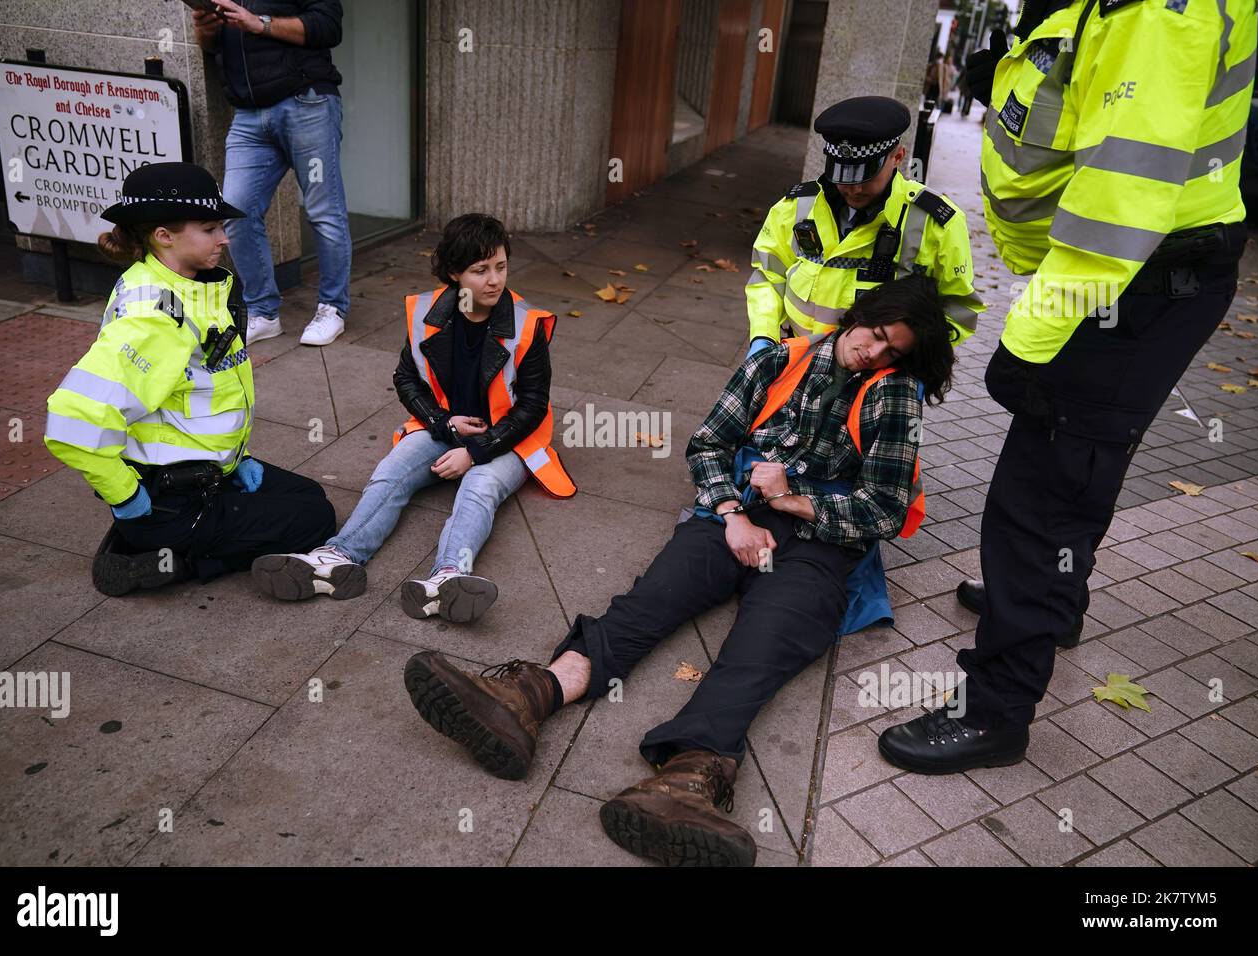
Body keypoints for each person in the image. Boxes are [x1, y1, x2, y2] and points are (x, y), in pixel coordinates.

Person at [404, 274, 955, 867]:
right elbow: (709, 443)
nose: (873, 353)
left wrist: (796, 500)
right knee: (650, 603)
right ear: (858, 315)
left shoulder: (895, 396)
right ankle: (527, 697)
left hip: (822, 541)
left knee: (762, 648)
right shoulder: (779, 360)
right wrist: (732, 515)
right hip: (736, 514)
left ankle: (687, 780)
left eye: (892, 350)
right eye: (873, 335)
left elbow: (884, 509)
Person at [878, 0, 1255, 775]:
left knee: (1042, 489)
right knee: (1081, 462)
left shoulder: (1154, 13)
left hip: (1134, 278)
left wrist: (1028, 342)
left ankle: (994, 713)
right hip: (1148, 273)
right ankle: (1055, 605)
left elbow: (1119, 209)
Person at [250, 214, 576, 618]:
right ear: (455, 273)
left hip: (509, 437)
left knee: (478, 488)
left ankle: (448, 578)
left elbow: (532, 406)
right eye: (480, 270)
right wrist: (443, 423)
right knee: (391, 472)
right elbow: (406, 378)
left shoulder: (527, 324)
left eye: (500, 266)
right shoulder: (427, 313)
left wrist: (475, 452)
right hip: (444, 424)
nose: (494, 280)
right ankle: (336, 558)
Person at [44, 162, 336, 597]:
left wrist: (238, 460)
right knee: (314, 521)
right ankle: (167, 556)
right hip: (173, 500)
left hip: (199, 473)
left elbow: (197, 394)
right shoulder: (155, 318)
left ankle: (157, 536)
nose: (223, 238)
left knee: (311, 496)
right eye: (210, 228)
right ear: (165, 235)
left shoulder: (183, 281)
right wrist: (124, 495)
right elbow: (73, 419)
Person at [745, 95, 983, 362]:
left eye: (865, 176)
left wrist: (917, 365)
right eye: (843, 176)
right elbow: (768, 276)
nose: (853, 189)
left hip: (874, 375)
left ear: (898, 157)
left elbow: (958, 311)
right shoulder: (797, 207)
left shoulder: (937, 224)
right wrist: (763, 337)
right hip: (795, 359)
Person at [193, 0, 352, 347]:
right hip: (249, 114)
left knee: (324, 210)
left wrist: (259, 23)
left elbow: (329, 26)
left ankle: (333, 308)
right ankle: (263, 312)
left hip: (306, 103)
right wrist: (206, 31)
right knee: (235, 210)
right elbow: (214, 47)